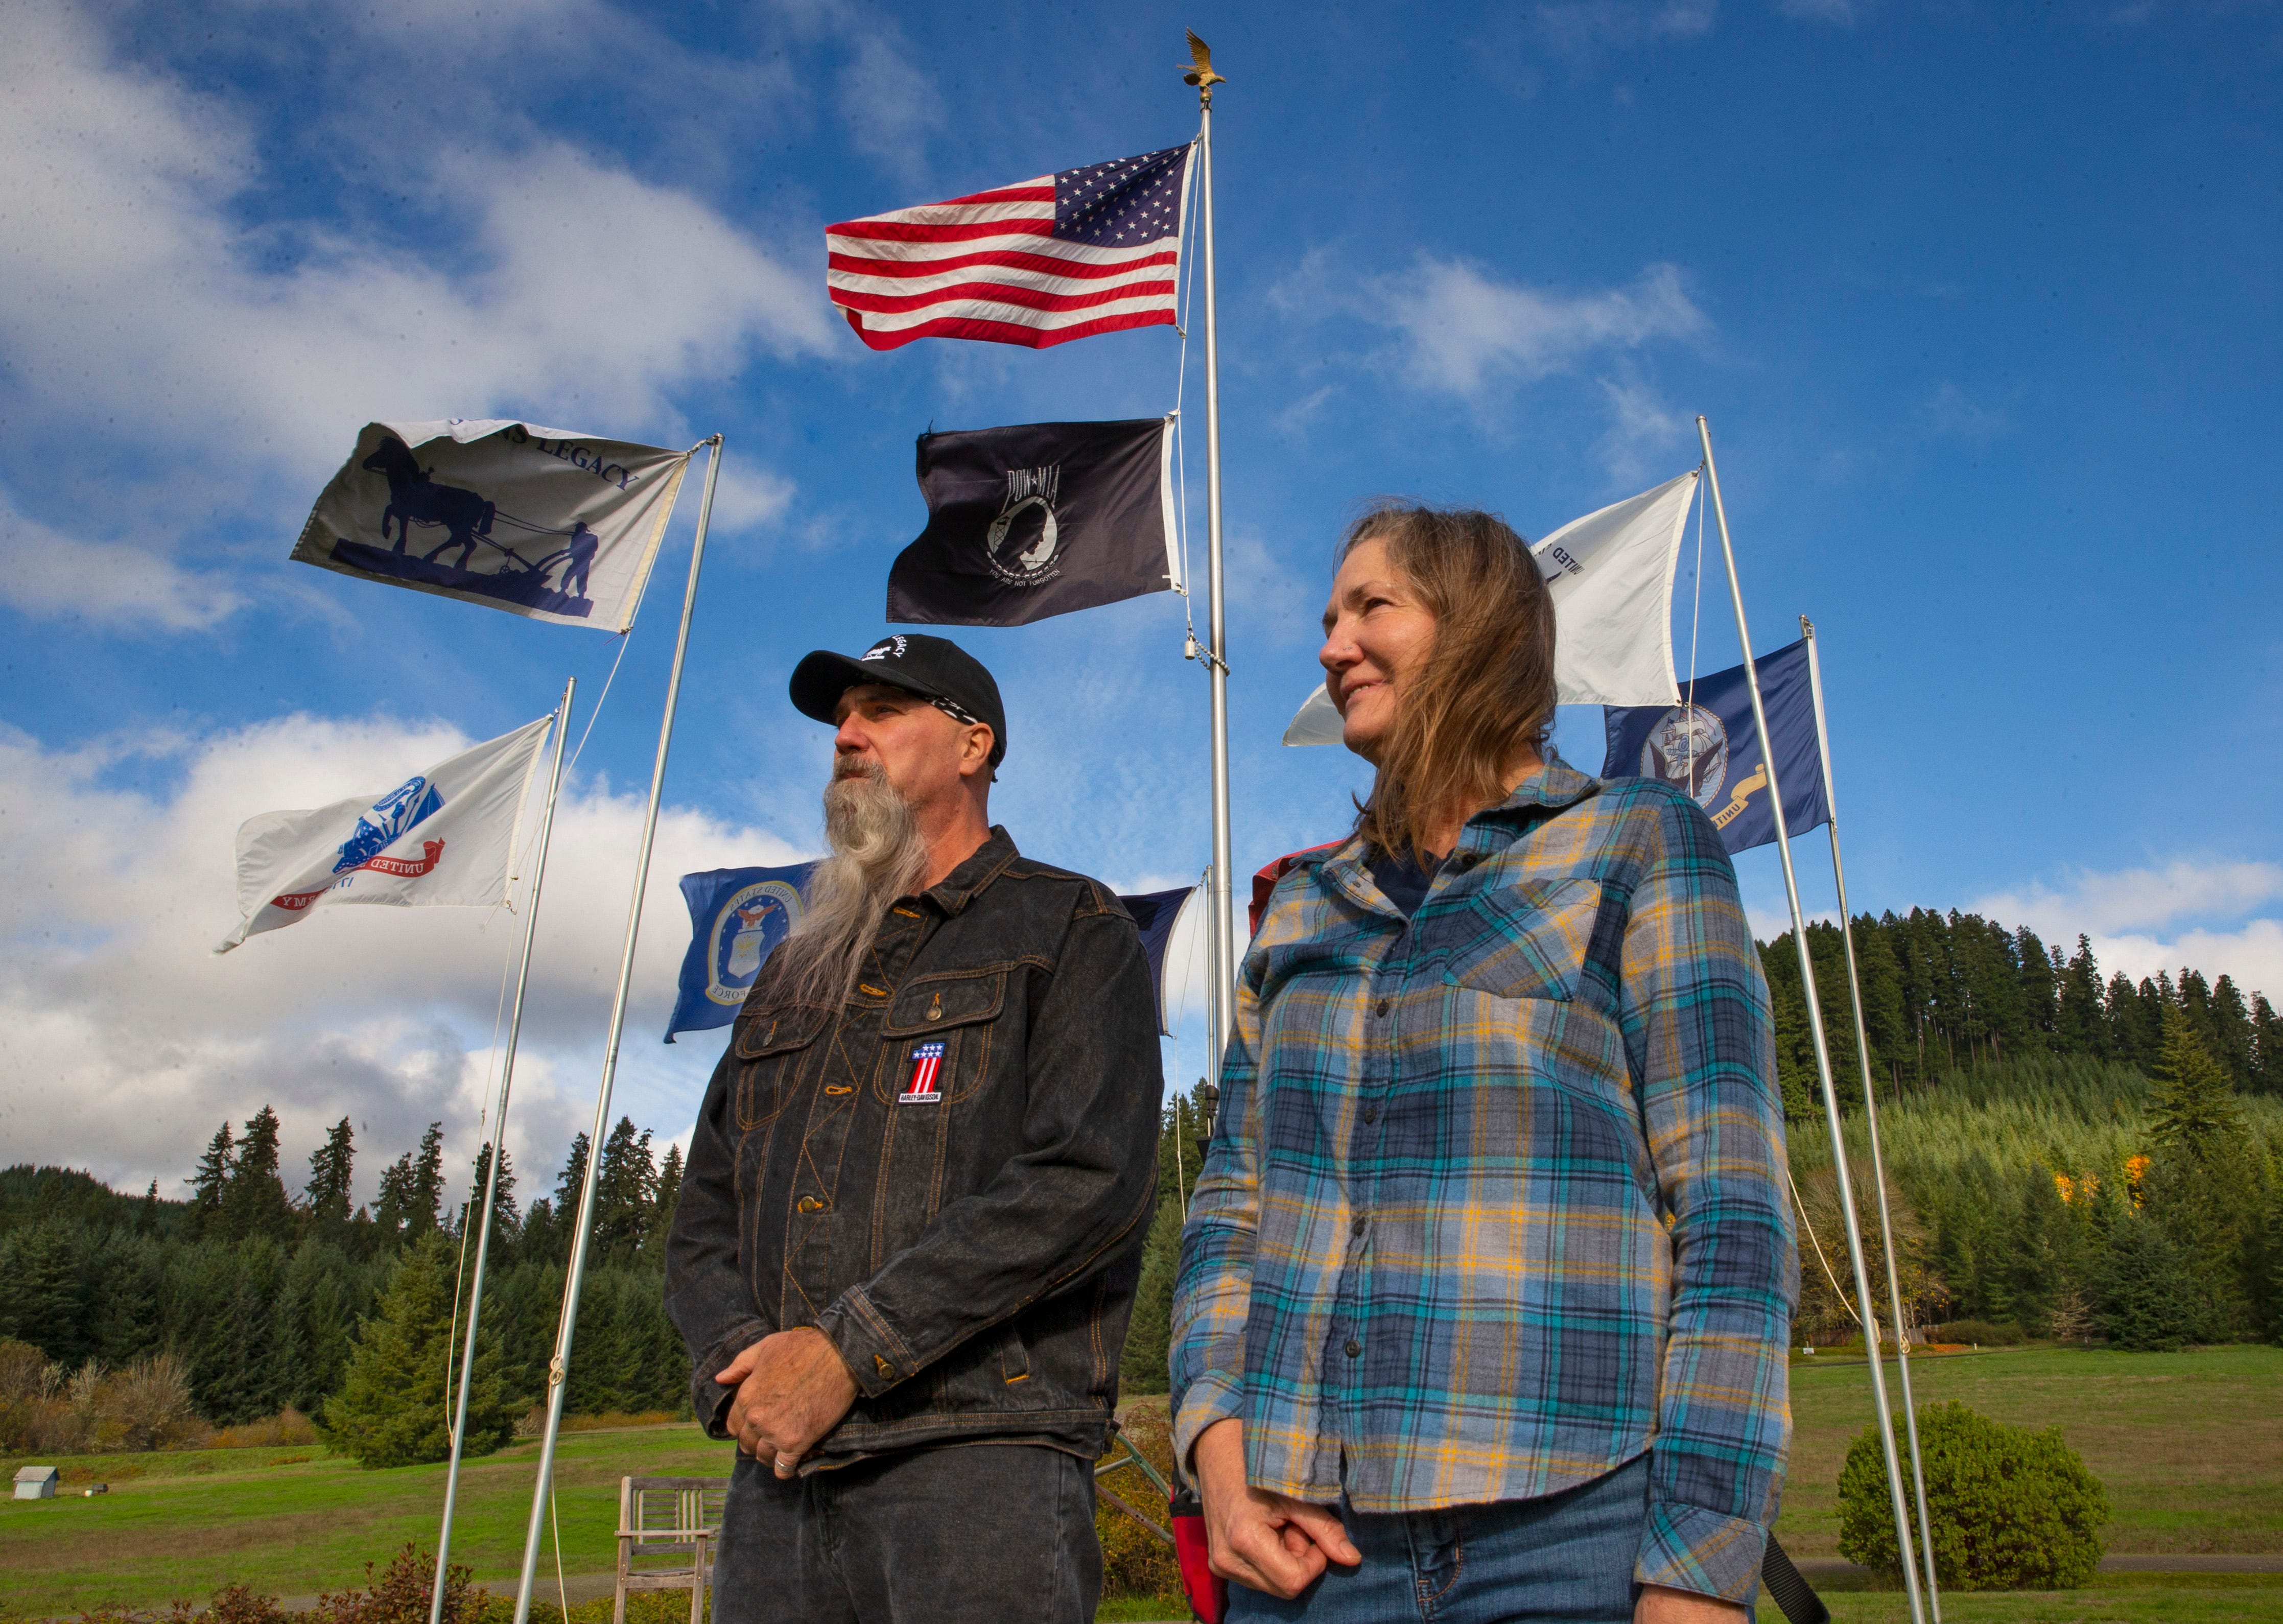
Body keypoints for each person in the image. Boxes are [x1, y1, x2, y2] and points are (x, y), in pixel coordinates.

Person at [1170, 506, 1796, 1623]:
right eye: (1327, 617)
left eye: (1372, 609)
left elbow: (1734, 1221)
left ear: (1479, 634)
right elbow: (1233, 1206)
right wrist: (1216, 1445)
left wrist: (1700, 1568)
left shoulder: (1637, 842)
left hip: (1572, 1536)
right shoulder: (1307, 905)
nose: (1329, 645)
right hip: (1306, 1550)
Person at [667, 632, 1164, 1624]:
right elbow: (704, 1212)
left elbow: (1086, 1180)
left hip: (984, 1464)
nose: (847, 735)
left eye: (884, 711)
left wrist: (848, 1352)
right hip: (782, 1478)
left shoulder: (1071, 926)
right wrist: (744, 1376)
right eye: (840, 719)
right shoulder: (792, 973)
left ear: (973, 745)